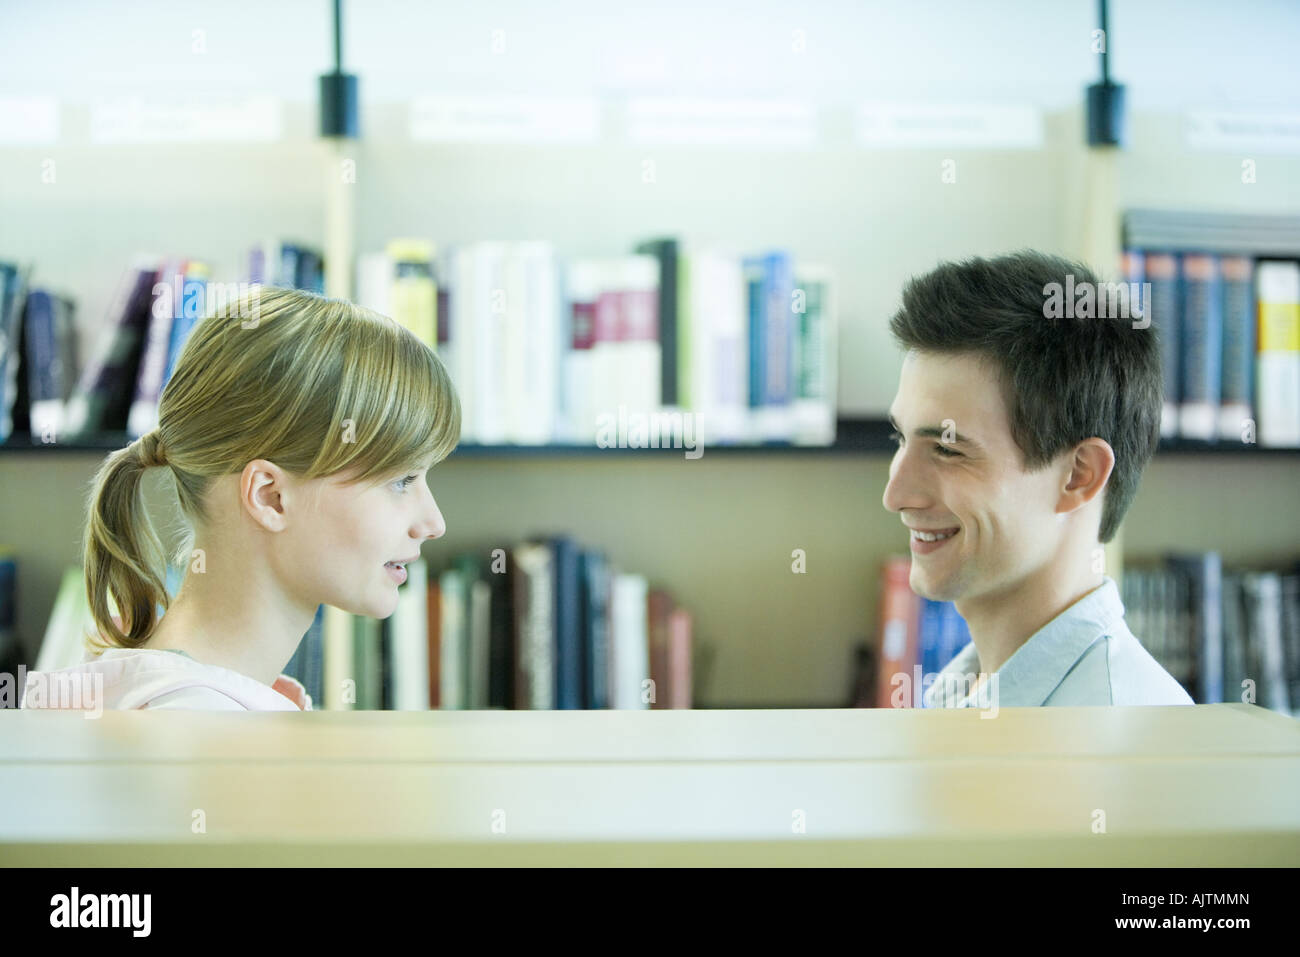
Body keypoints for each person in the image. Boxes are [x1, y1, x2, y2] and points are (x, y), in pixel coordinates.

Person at [22, 285, 459, 711]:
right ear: (270, 497)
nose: (434, 522)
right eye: (402, 480)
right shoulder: (196, 730)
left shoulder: (180, 700)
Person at [881, 250, 1193, 708]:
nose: (895, 495)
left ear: (1079, 476)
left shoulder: (1124, 748)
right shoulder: (960, 689)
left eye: (947, 450)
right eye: (900, 438)